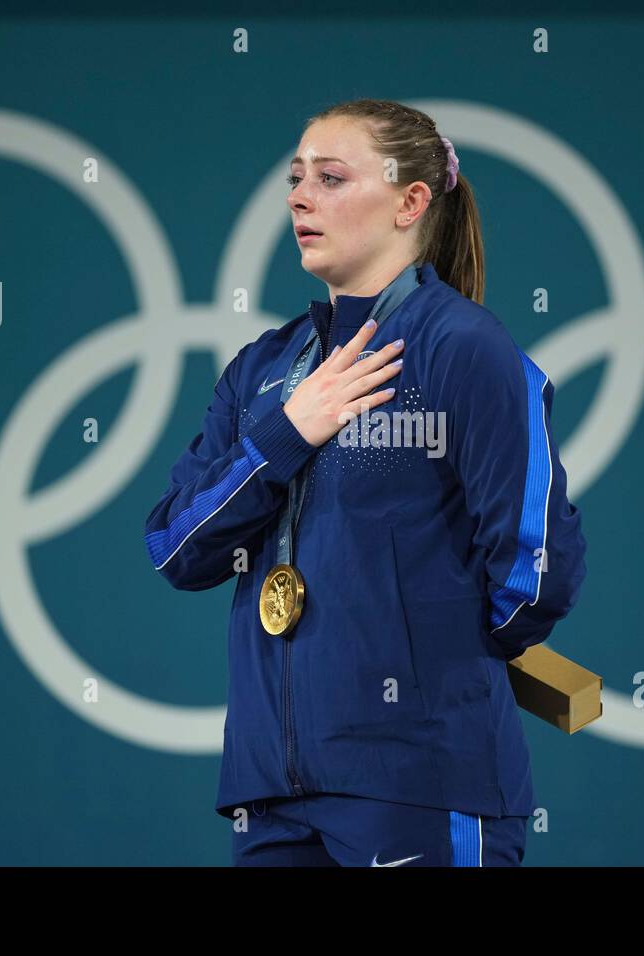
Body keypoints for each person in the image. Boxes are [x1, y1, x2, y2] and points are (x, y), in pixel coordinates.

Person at [143, 98, 588, 866]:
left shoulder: (464, 348)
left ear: (410, 202)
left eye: (331, 177)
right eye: (295, 178)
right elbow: (177, 547)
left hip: (421, 783)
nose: (298, 196)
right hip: (272, 795)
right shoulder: (263, 370)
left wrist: (435, 666)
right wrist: (287, 434)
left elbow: (538, 564)